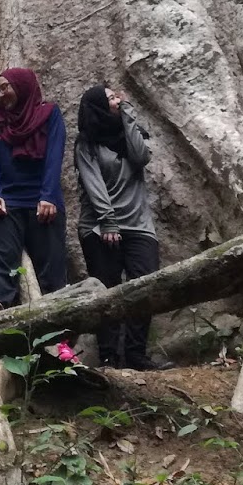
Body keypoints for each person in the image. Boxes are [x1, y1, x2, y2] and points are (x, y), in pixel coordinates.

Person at [74, 85, 169, 370]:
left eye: (118, 95)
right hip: (100, 227)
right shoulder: (86, 143)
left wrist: (128, 115)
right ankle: (108, 357)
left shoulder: (132, 133)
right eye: (113, 98)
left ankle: (136, 354)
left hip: (139, 225)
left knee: (145, 285)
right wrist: (108, 221)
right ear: (98, 108)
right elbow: (93, 185)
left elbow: (141, 157)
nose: (119, 99)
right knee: (108, 292)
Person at [0, 67, 67, 312]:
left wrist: (48, 195)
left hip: (43, 201)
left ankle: (61, 329)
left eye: (4, 87)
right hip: (7, 201)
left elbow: (54, 156)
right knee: (0, 259)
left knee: (52, 270)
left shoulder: (49, 114)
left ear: (22, 86)